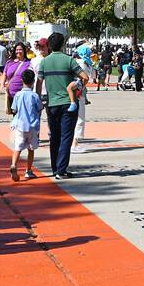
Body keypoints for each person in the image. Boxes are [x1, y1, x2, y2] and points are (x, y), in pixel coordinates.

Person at [37, 32, 86, 179]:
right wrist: (78, 89)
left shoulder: (44, 62)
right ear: (63, 45)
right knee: (66, 137)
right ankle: (61, 170)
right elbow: (84, 77)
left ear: (50, 45)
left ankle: (54, 168)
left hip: (51, 104)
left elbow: (39, 83)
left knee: (55, 136)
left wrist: (39, 99)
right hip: (67, 103)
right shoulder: (69, 60)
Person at [9, 69, 41, 181]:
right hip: (32, 125)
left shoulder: (18, 95)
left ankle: (14, 164)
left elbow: (14, 109)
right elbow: (39, 108)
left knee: (17, 148)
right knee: (31, 149)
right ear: (33, 81)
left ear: (22, 80)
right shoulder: (35, 96)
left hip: (19, 125)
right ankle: (28, 170)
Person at [3, 42, 30, 113]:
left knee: (22, 114)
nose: (18, 51)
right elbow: (5, 74)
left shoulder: (29, 63)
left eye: (20, 49)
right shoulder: (10, 62)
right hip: (11, 94)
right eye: (17, 50)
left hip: (23, 94)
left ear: (24, 51)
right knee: (14, 114)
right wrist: (2, 84)